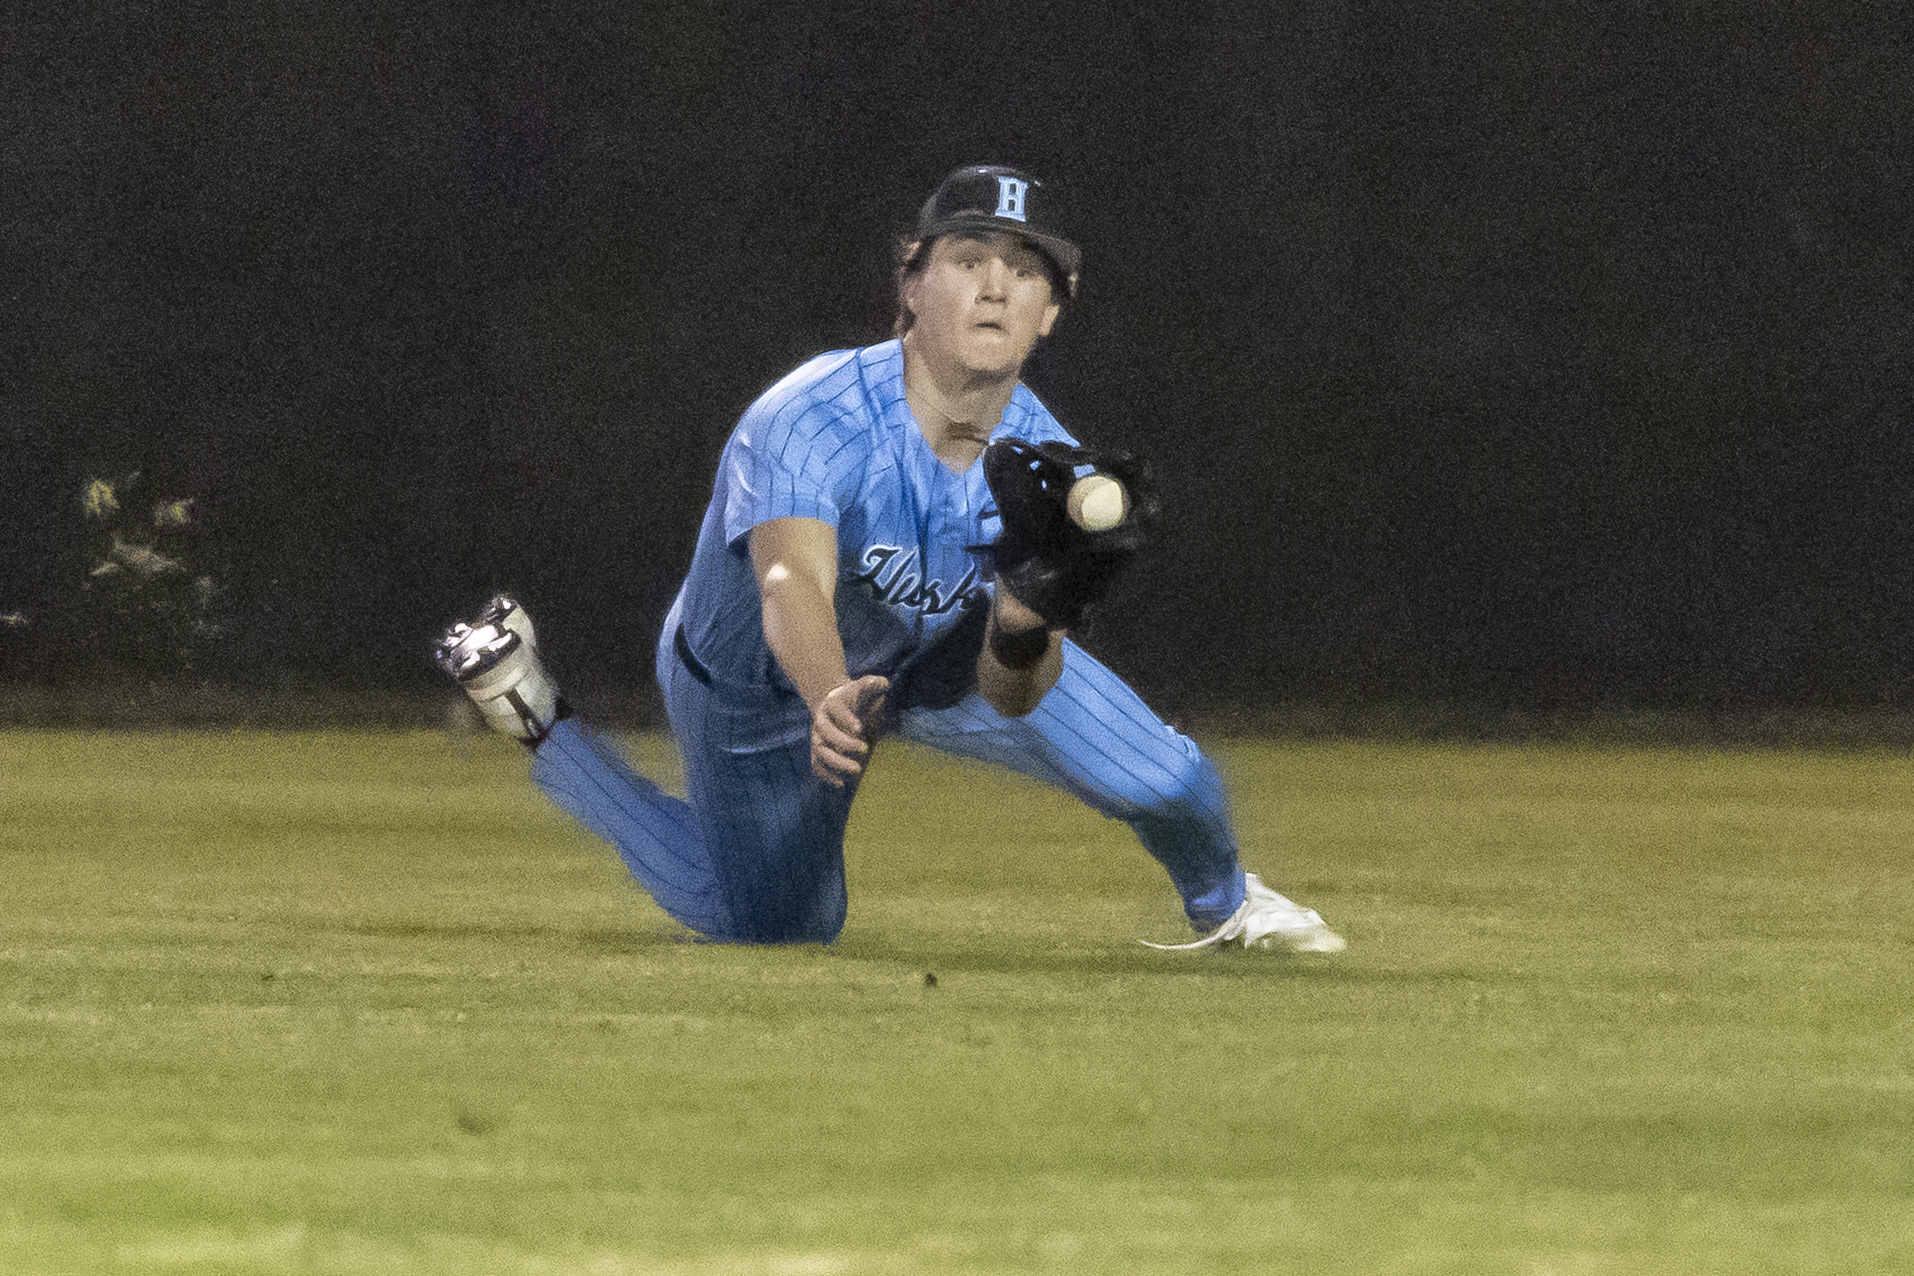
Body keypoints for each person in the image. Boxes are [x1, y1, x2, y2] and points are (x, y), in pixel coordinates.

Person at [433, 164, 1346, 953]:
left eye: (1026, 270)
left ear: (1052, 313)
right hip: (762, 686)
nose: (996, 287)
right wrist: (831, 693)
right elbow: (791, 578)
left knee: (1173, 776)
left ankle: (1227, 911)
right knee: (783, 924)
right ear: (910, 283)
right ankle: (540, 720)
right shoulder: (810, 414)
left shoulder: (1044, 468)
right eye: (968, 259)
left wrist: (1027, 623)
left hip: (931, 661)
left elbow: (1013, 688)